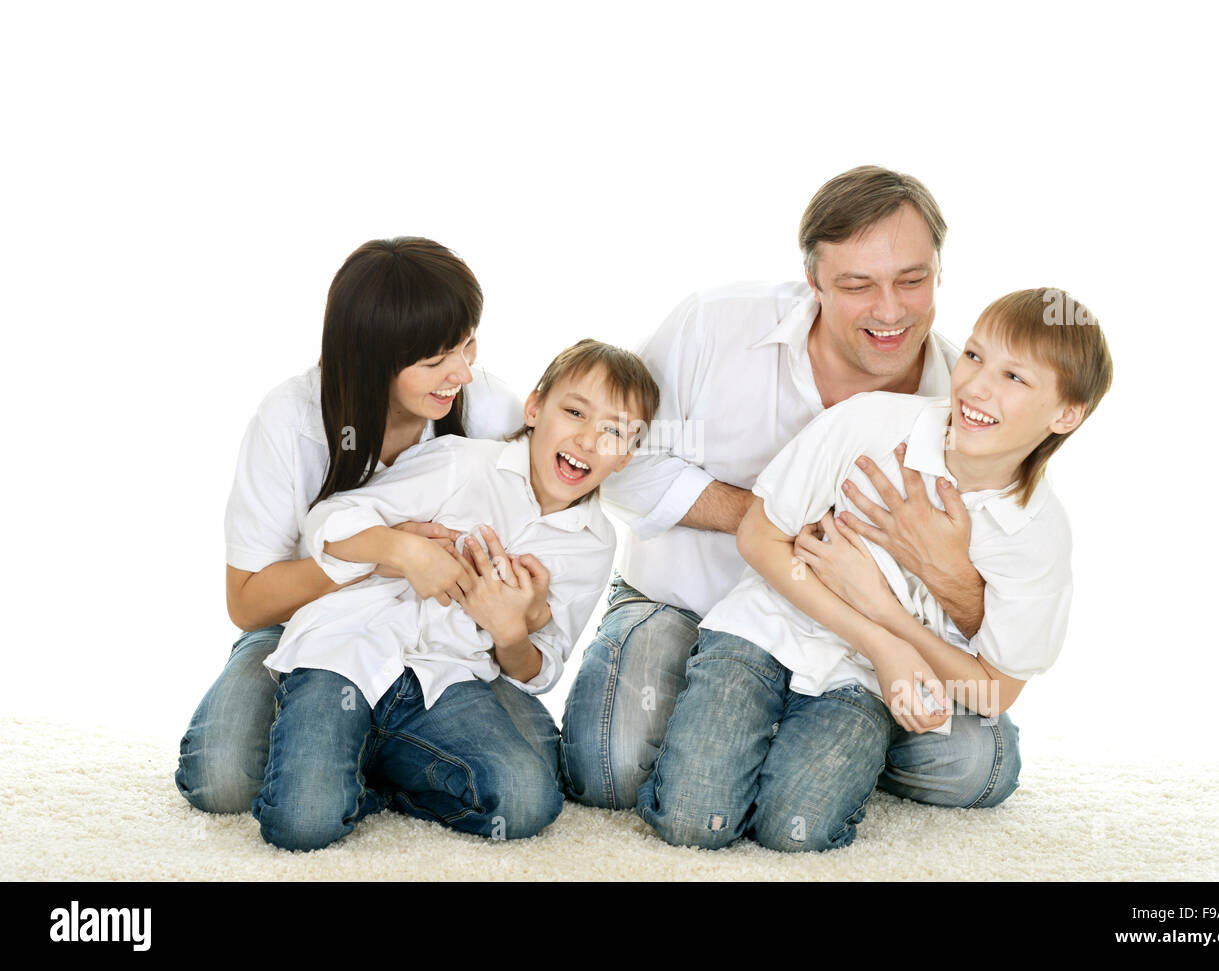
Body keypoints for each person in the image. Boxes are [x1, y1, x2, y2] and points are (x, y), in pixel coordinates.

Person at [561, 165, 1000, 810]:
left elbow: (993, 604)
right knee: (612, 772)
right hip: (687, 605)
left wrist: (937, 578)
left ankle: (794, 742)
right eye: (857, 284)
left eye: (913, 280)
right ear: (813, 279)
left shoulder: (969, 400)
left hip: (861, 642)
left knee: (972, 770)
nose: (889, 311)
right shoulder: (716, 324)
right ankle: (771, 742)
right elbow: (619, 460)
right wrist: (778, 522)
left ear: (940, 270)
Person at [637, 288, 1113, 851]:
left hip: (863, 681)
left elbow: (992, 694)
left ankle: (805, 756)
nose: (977, 385)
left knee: (796, 832)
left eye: (1015, 378)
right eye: (976, 356)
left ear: (1066, 414)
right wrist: (883, 642)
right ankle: (733, 747)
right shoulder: (871, 425)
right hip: (763, 631)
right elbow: (760, 535)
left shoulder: (1037, 536)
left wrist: (892, 625)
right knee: (694, 821)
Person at [175, 237, 541, 815]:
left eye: (469, 344)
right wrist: (388, 554)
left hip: (434, 638)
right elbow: (248, 604)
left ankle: (356, 747)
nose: (463, 372)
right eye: (435, 362)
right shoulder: (289, 422)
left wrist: (527, 606)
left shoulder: (486, 406)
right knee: (222, 782)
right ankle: (347, 747)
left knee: (528, 785)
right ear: (372, 360)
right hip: (306, 632)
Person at [252, 340, 660, 850]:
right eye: (574, 411)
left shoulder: (596, 543)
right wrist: (404, 550)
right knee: (302, 824)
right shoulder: (462, 463)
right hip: (348, 653)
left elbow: (542, 667)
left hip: (446, 682)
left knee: (525, 801)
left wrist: (510, 630)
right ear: (534, 409)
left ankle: (378, 771)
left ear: (626, 456)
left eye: (614, 432)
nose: (587, 438)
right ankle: (333, 757)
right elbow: (329, 522)